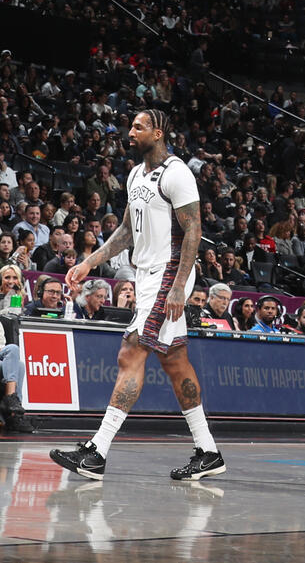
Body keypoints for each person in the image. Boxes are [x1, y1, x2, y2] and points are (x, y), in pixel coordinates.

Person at [49, 108, 225, 482]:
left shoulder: (177, 174)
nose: (130, 132)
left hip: (168, 273)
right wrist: (88, 263)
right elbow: (127, 232)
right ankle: (208, 450)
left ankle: (97, 451)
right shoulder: (134, 174)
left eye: (138, 127)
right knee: (174, 360)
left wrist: (178, 286)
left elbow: (193, 231)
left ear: (158, 133)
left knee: (131, 351)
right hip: (147, 274)